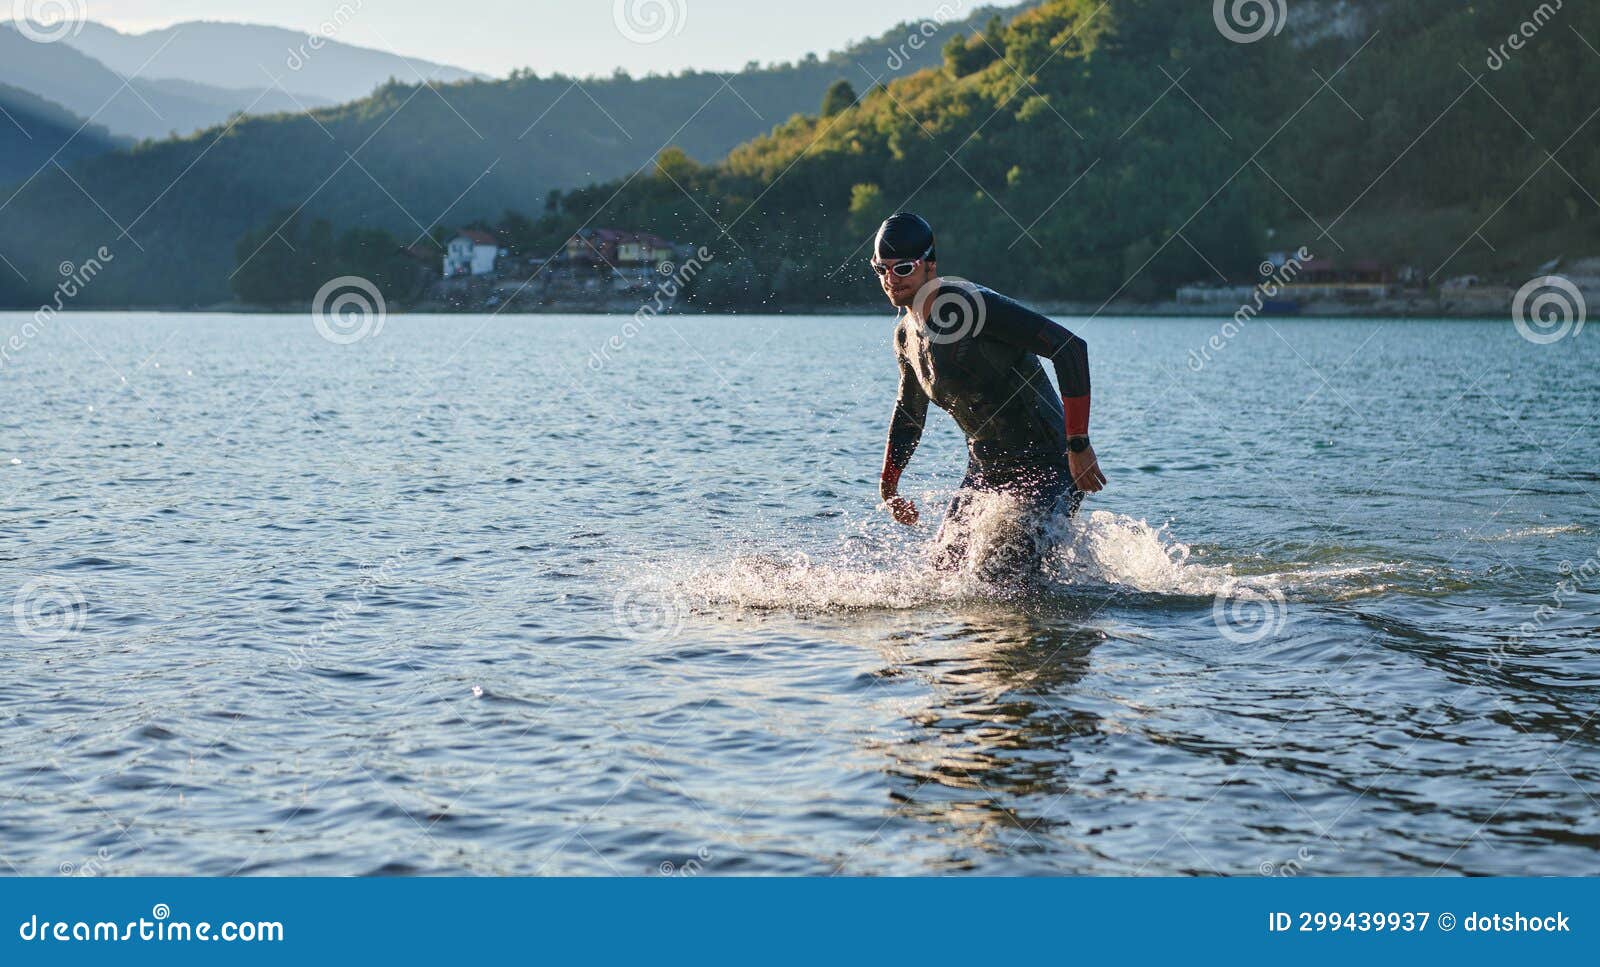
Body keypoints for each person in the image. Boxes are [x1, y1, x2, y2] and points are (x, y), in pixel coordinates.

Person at [872, 212, 1105, 569]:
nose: (891, 279)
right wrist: (889, 487)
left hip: (1050, 463)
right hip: (986, 469)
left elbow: (1069, 348)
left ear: (930, 265)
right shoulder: (905, 335)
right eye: (881, 269)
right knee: (943, 572)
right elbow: (908, 414)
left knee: (1002, 577)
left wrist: (1079, 443)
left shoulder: (971, 306)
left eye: (903, 268)